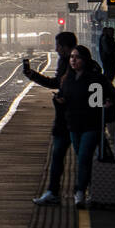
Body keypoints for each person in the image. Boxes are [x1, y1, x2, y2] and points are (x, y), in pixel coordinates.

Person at [23, 31, 76, 205]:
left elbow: (85, 89)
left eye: (58, 46)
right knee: (58, 157)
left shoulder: (83, 65)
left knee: (83, 158)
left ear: (66, 47)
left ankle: (82, 192)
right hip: (63, 118)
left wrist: (68, 98)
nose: (56, 49)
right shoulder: (63, 62)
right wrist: (33, 75)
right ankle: (54, 192)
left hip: (79, 120)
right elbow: (56, 84)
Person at [57, 45, 112, 207]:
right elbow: (64, 97)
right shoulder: (67, 79)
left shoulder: (96, 78)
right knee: (82, 158)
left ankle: (80, 191)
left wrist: (109, 103)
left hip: (92, 125)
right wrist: (60, 101)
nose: (73, 60)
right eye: (72, 57)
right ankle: (91, 189)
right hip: (74, 125)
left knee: (84, 157)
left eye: (77, 57)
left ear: (85, 60)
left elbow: (110, 95)